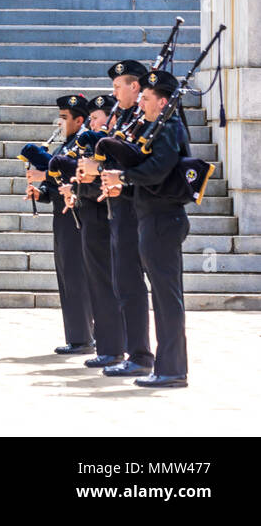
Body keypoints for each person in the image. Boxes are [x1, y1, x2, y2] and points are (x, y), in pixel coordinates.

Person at [100, 68, 193, 388]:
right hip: (151, 217)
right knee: (164, 297)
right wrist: (121, 184)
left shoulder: (170, 129)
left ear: (163, 101)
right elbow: (145, 171)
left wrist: (122, 178)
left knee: (167, 298)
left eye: (148, 97)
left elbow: (156, 171)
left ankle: (173, 369)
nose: (141, 102)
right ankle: (166, 366)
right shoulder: (157, 127)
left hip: (163, 219)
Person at [76, 59, 155, 377]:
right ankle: (129, 352)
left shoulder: (143, 121)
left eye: (117, 85)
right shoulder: (125, 119)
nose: (113, 91)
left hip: (135, 209)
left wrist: (108, 170)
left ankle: (140, 354)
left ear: (135, 87)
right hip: (118, 208)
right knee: (123, 285)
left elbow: (141, 163)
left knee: (132, 286)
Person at [24, 94, 94, 355]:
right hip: (62, 218)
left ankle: (82, 338)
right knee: (68, 277)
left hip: (78, 218)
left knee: (76, 277)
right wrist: (40, 193)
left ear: (79, 120)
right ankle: (80, 335)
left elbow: (78, 175)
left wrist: (45, 174)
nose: (60, 123)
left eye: (65, 118)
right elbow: (55, 187)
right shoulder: (65, 145)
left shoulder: (83, 144)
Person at [60, 94, 125, 370]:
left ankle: (117, 348)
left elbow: (111, 183)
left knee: (109, 286)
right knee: (98, 286)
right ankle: (108, 346)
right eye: (92, 117)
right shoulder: (93, 145)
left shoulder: (114, 145)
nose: (92, 121)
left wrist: (84, 183)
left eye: (97, 117)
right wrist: (74, 189)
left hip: (107, 220)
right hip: (90, 217)